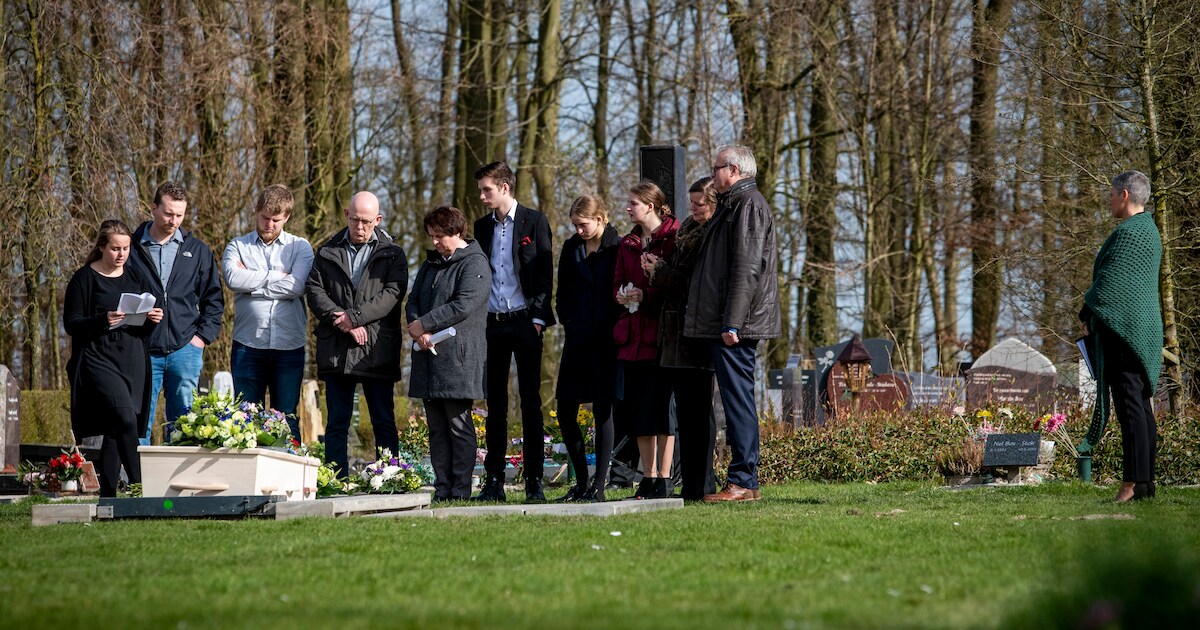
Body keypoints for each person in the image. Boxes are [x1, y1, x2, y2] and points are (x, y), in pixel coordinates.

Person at [685, 145, 781, 502]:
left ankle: (742, 480)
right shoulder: (733, 205)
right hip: (727, 323)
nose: (713, 173)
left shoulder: (748, 206)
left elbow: (746, 268)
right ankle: (745, 481)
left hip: (735, 327)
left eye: (717, 167)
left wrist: (733, 322)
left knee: (738, 401)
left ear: (735, 170)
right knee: (735, 399)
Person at [305, 191, 408, 478]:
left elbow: (392, 294)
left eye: (365, 222)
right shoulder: (327, 251)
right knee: (337, 420)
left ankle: (389, 477)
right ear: (346, 216)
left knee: (383, 420)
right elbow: (314, 290)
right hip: (337, 347)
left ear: (378, 220)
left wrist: (355, 317)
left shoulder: (393, 254)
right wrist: (343, 321)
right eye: (354, 220)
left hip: (377, 347)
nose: (359, 227)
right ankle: (336, 480)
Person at [472, 161, 556, 503]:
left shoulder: (535, 221)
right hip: (492, 324)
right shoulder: (481, 227)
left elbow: (544, 272)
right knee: (495, 404)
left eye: (486, 190)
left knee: (531, 403)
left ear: (505, 188)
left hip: (525, 322)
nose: (481, 196)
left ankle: (534, 480)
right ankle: (494, 482)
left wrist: (537, 318)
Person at [1079, 170, 1163, 503]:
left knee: (1130, 406)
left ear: (1125, 195)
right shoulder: (1149, 230)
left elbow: (1113, 282)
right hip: (1141, 328)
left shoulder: (1131, 232)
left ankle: (1130, 484)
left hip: (1126, 330)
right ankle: (1145, 483)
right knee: (1140, 407)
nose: (1109, 200)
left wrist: (1087, 311)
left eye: (1112, 194)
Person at [65, 220, 165, 497]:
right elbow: (71, 324)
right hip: (98, 357)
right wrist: (103, 319)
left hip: (131, 358)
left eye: (126, 248)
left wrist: (152, 319)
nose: (121, 254)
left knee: (115, 427)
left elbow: (142, 327)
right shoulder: (84, 278)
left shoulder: (135, 276)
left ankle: (108, 494)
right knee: (125, 418)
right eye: (115, 248)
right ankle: (141, 488)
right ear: (101, 247)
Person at [406, 205, 492, 502]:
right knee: (437, 429)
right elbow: (413, 300)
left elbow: (463, 304)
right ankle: (442, 488)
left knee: (458, 426)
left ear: (457, 233)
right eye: (431, 236)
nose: (434, 242)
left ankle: (460, 489)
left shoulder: (474, 264)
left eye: (439, 236)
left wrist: (424, 323)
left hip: (458, 358)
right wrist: (419, 328)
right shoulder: (430, 264)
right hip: (429, 356)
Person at [128, 182, 224, 444]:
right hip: (142, 348)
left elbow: (213, 300)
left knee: (184, 424)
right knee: (139, 422)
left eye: (179, 215)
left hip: (185, 349)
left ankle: (178, 483)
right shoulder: (131, 249)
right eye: (168, 213)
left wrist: (201, 338)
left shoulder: (199, 251)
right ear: (154, 208)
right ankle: (139, 482)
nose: (174, 221)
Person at [642, 177, 718, 501]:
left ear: (714, 203)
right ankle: (692, 484)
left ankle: (702, 484)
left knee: (699, 414)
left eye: (700, 204)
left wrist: (660, 272)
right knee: (686, 414)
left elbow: (696, 286)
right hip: (674, 330)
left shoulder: (714, 233)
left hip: (697, 334)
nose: (694, 209)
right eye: (692, 203)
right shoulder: (687, 227)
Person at [222, 184, 314, 438]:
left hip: (288, 347)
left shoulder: (300, 247)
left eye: (276, 219)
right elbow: (232, 278)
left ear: (287, 218)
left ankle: (288, 477)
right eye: (264, 217)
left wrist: (252, 285)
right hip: (247, 344)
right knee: (244, 418)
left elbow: (297, 286)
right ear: (256, 211)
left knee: (286, 418)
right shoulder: (238, 245)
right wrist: (277, 276)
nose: (269, 224)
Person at [553, 195, 621, 502]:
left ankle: (600, 484)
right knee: (566, 410)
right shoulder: (571, 248)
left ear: (600, 219)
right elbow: (562, 291)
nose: (579, 230)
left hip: (607, 339)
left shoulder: (618, 248)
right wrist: (569, 320)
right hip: (578, 337)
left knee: (603, 410)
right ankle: (581, 480)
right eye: (575, 225)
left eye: (583, 224)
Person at [613, 181, 678, 499]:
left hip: (663, 337)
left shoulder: (674, 237)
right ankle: (647, 477)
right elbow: (616, 283)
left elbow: (679, 286)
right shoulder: (628, 243)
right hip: (633, 339)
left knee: (662, 410)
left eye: (633, 203)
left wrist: (647, 294)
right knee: (640, 411)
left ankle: (664, 477)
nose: (628, 208)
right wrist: (622, 294)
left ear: (650, 206)